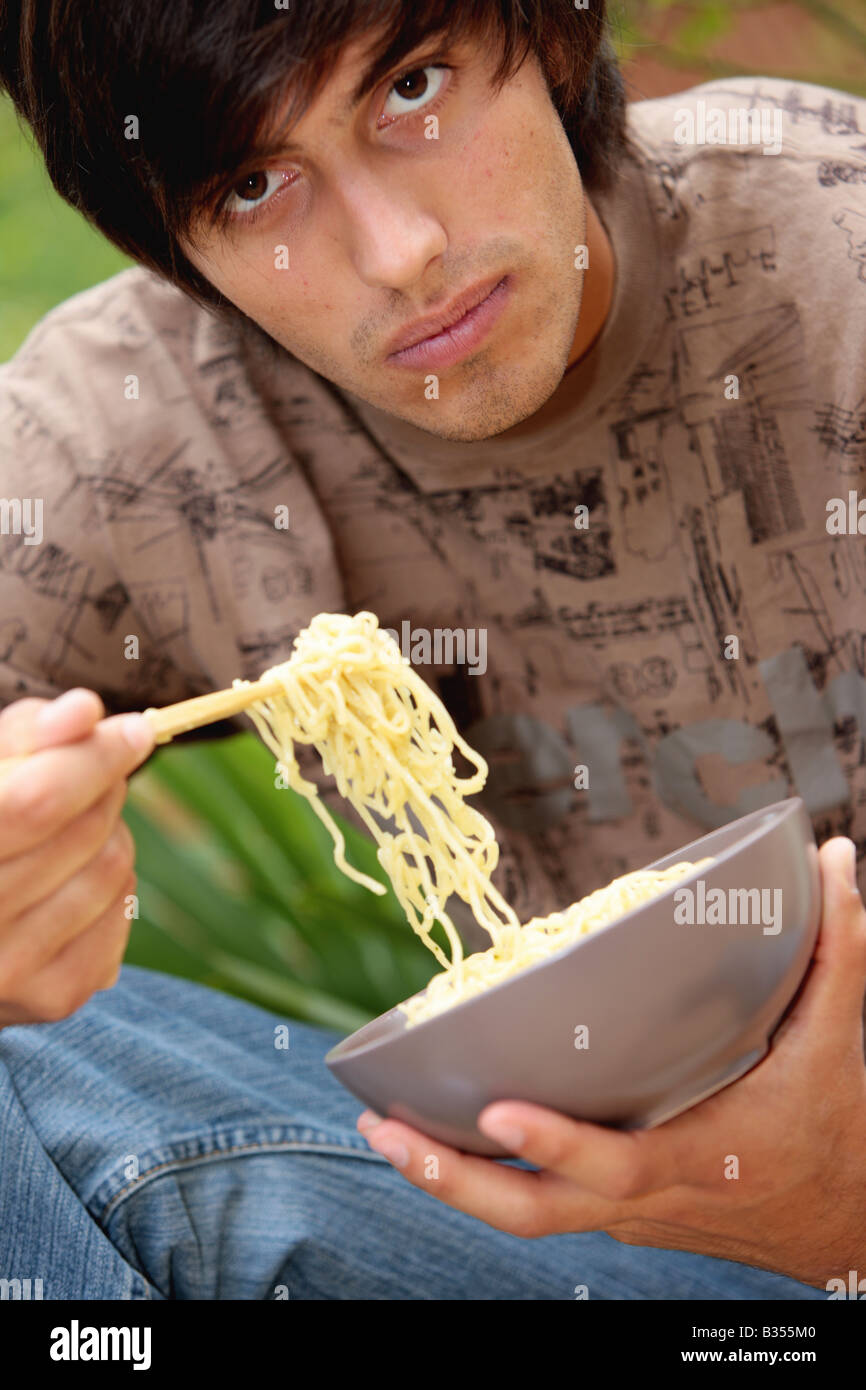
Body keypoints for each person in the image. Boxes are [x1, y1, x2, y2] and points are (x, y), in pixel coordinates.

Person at [0, 0, 863, 1300]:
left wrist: (836, 1217)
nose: (400, 253)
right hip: (537, 1228)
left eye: (412, 85)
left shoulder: (833, 263)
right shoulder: (143, 431)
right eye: (251, 183)